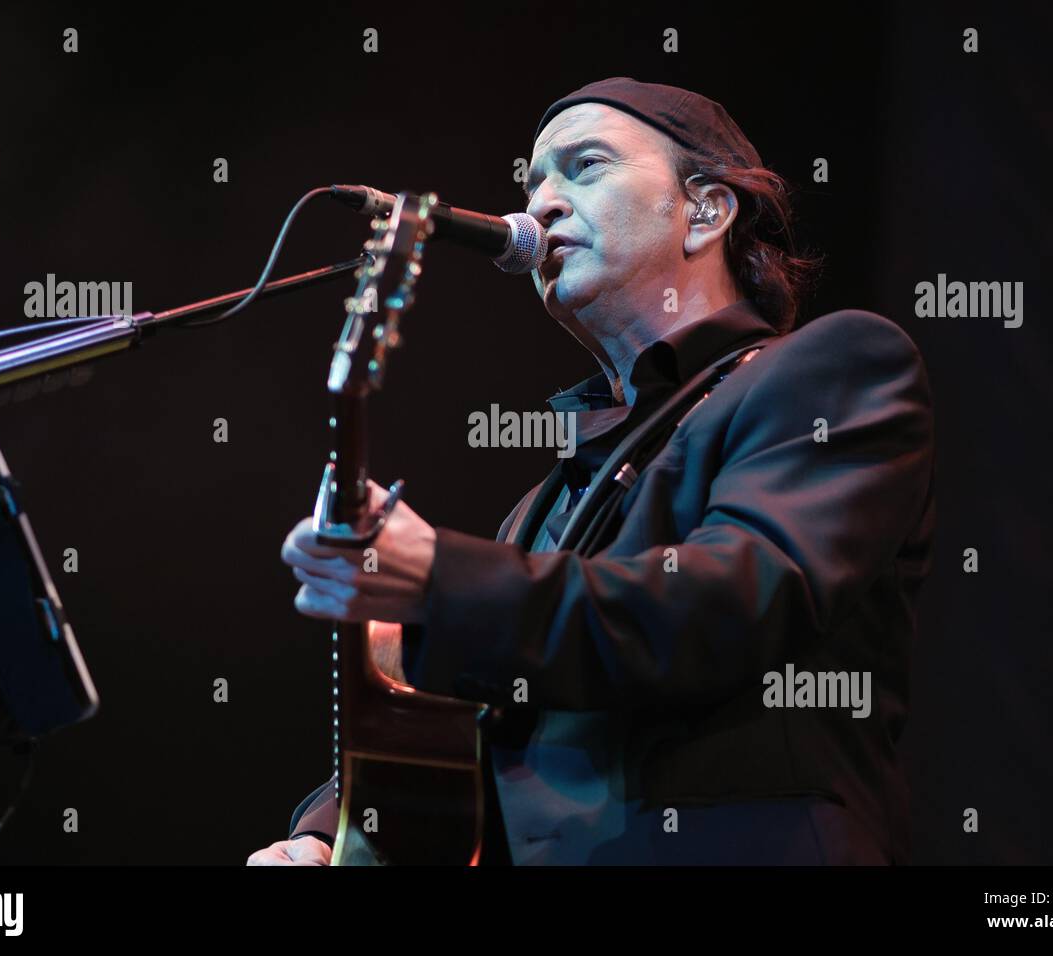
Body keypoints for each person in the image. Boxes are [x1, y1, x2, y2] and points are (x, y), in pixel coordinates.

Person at [247, 77, 936, 866]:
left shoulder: (831, 369)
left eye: (584, 166)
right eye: (532, 180)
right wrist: (323, 836)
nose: (537, 205)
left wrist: (439, 573)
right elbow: (460, 720)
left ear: (706, 211)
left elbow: (728, 604)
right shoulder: (540, 506)